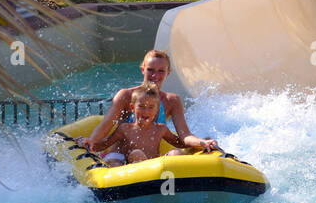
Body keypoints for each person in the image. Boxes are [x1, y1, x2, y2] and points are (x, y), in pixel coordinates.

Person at [78, 49, 220, 156]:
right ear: (142, 70)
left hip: (150, 161)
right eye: (150, 70)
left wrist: (201, 142)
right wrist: (91, 140)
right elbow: (106, 124)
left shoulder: (172, 101)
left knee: (177, 154)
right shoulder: (126, 95)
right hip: (120, 157)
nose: (155, 76)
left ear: (168, 73)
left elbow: (184, 135)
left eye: (161, 71)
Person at [98, 84, 186, 166]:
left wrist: (196, 146)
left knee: (176, 153)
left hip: (156, 167)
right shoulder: (125, 129)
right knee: (137, 154)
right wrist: (88, 144)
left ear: (157, 110)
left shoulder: (161, 129)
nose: (146, 111)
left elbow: (179, 143)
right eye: (141, 106)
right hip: (135, 169)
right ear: (132, 108)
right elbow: (105, 144)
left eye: (151, 107)